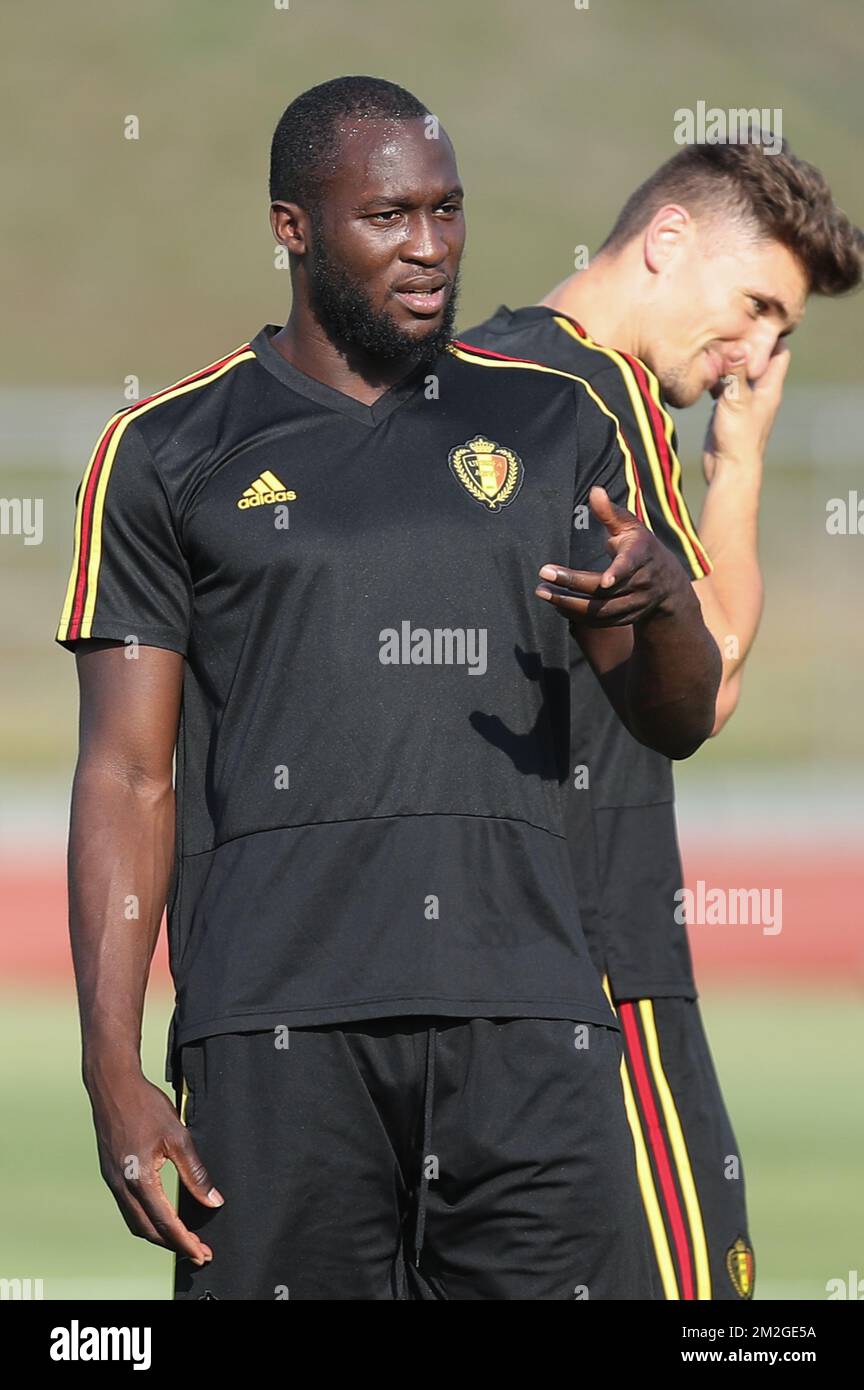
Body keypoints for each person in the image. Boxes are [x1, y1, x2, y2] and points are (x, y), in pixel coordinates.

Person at [55, 77, 719, 1301]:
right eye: (389, 216)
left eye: (448, 212)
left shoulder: (552, 420)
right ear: (292, 228)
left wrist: (663, 601)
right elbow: (126, 775)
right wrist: (110, 1062)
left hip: (530, 1024)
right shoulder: (165, 450)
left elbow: (672, 715)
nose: (429, 248)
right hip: (272, 1036)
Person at [461, 137, 864, 1299]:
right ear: (666, 240)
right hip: (598, 971)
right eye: (754, 308)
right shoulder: (601, 395)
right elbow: (710, 682)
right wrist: (734, 466)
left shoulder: (462, 376)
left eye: (780, 338)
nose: (753, 355)